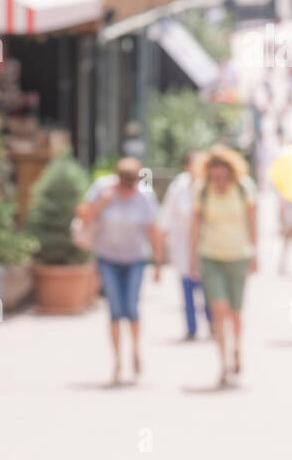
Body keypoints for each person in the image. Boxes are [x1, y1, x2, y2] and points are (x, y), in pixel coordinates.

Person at [79, 157, 163, 383]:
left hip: (136, 259)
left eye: (131, 182)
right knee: (115, 309)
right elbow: (83, 217)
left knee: (132, 308)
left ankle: (135, 350)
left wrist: (158, 263)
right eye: (124, 182)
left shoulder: (145, 195)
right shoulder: (102, 189)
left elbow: (153, 229)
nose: (128, 187)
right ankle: (117, 361)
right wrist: (102, 202)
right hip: (108, 258)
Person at [190, 146, 258, 387]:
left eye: (223, 177)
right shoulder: (203, 191)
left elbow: (252, 220)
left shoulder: (243, 188)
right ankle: (224, 362)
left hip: (238, 254)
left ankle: (237, 349)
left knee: (235, 312)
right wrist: (192, 258)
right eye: (214, 177)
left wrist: (254, 253)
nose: (219, 182)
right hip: (210, 255)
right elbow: (195, 225)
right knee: (218, 310)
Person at [157, 150, 211, 341]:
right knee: (187, 287)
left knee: (209, 288)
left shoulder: (210, 185)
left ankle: (213, 326)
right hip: (183, 246)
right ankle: (191, 328)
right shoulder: (178, 187)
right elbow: (166, 218)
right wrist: (158, 251)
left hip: (208, 246)